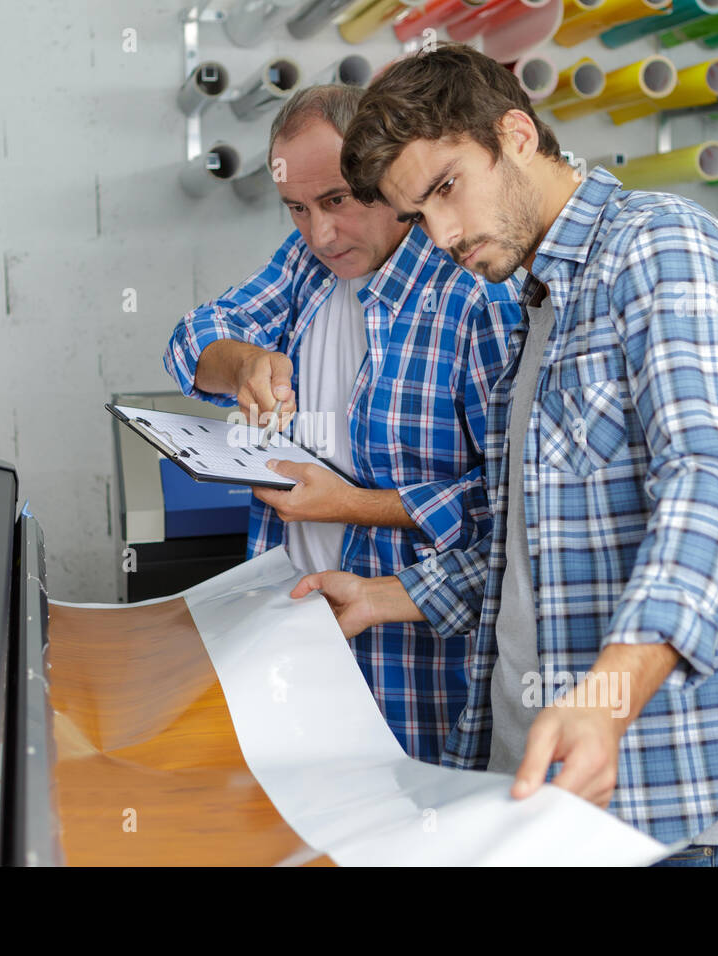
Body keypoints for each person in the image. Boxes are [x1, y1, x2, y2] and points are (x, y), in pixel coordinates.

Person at [293, 44, 718, 863]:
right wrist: (386, 597)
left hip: (662, 786)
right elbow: (537, 541)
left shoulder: (662, 249)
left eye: (448, 186)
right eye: (417, 216)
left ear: (517, 134)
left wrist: (610, 696)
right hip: (546, 779)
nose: (442, 234)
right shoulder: (542, 302)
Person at [164, 83, 520, 764]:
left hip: (413, 675)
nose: (319, 232)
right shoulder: (309, 265)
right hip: (291, 648)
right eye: (295, 208)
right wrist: (243, 363)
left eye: (336, 201)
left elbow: (510, 510)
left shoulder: (475, 297)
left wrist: (351, 505)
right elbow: (192, 339)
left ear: (387, 173)